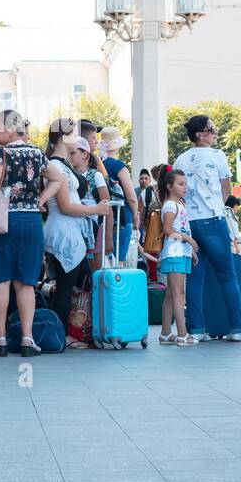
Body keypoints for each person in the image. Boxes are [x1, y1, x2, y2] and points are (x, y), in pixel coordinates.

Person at [0, 110, 48, 357]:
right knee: (26, 283)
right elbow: (56, 179)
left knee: (0, 280)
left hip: (2, 221)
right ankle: (27, 338)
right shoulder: (37, 153)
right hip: (32, 221)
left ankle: (0, 338)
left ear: (12, 130)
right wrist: (39, 200)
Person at [173, 115, 241, 342]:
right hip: (214, 220)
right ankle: (236, 328)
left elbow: (178, 192)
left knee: (195, 278)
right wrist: (214, 204)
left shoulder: (181, 159)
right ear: (199, 134)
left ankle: (197, 329)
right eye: (211, 129)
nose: (215, 132)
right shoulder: (218, 155)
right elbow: (226, 189)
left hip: (191, 222)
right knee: (227, 275)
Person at [40, 127, 107, 346]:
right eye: (71, 135)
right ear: (61, 138)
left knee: (80, 282)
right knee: (68, 285)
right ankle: (61, 335)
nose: (76, 140)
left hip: (69, 233)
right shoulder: (56, 166)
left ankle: (72, 332)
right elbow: (66, 206)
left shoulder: (62, 165)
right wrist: (95, 210)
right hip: (64, 234)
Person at [155, 168, 199, 346]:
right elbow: (168, 230)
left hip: (180, 253)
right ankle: (182, 334)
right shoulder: (170, 205)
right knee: (179, 294)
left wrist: (191, 250)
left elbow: (179, 229)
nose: (185, 187)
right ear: (169, 186)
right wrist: (188, 239)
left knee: (171, 295)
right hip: (174, 254)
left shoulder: (178, 204)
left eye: (185, 184)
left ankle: (166, 333)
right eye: (180, 184)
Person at [97, 125, 139, 263]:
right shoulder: (119, 166)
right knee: (118, 264)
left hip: (100, 217)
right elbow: (131, 197)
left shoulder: (95, 165)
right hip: (121, 217)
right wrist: (135, 215)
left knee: (101, 261)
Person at [136, 169, 155, 244]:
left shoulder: (153, 192)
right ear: (139, 180)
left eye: (146, 178)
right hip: (139, 222)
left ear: (150, 180)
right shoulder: (134, 191)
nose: (143, 180)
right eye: (141, 178)